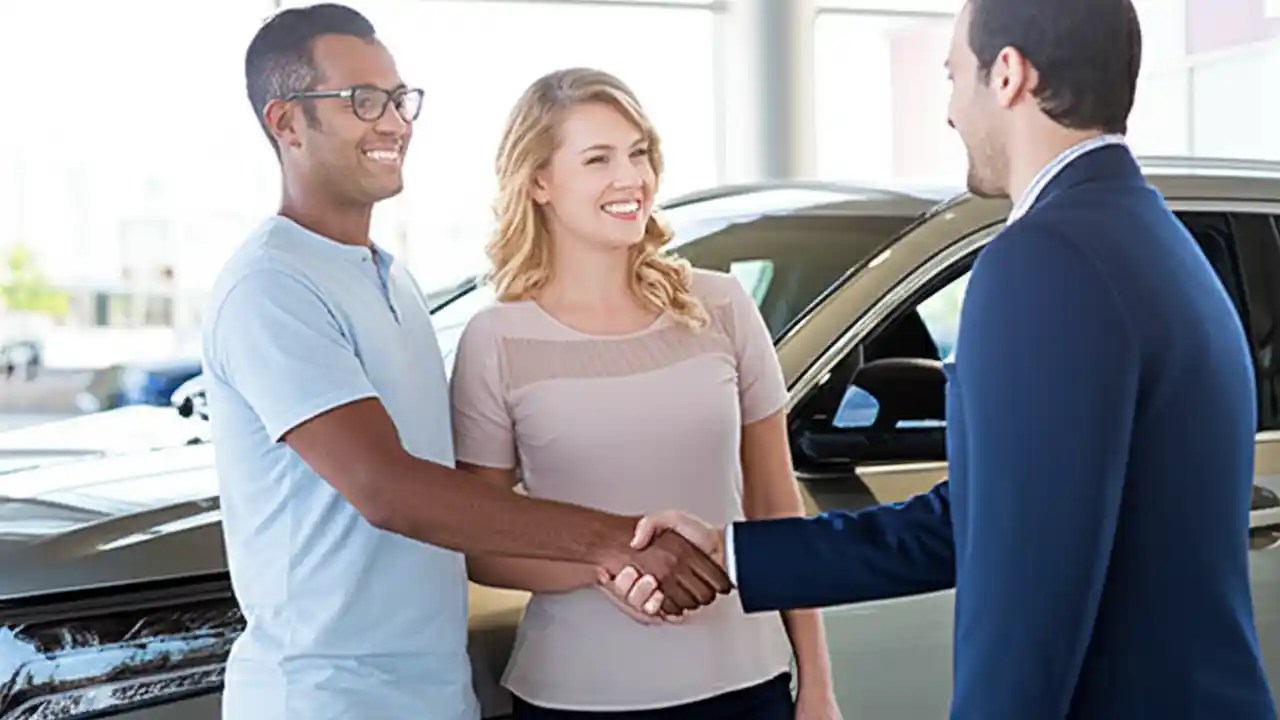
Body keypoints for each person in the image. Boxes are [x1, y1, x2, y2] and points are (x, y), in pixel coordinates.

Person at [623, 0, 1279, 718]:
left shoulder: (1043, 260)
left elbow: (1028, 595)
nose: (949, 111)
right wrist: (736, 554)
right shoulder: (1156, 240)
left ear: (1007, 75)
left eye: (952, 76)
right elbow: (987, 517)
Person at [201, 6, 727, 719]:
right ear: (287, 123)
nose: (392, 122)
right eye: (362, 101)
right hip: (324, 700)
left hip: (433, 693)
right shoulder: (270, 286)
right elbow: (388, 487)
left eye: (398, 98)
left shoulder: (391, 279)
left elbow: (455, 490)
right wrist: (617, 541)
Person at [449, 67, 841, 720]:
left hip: (747, 685)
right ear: (539, 181)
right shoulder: (496, 340)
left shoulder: (721, 306)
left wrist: (819, 683)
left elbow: (777, 506)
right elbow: (482, 545)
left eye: (638, 153)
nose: (630, 178)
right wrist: (614, 567)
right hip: (575, 696)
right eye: (598, 158)